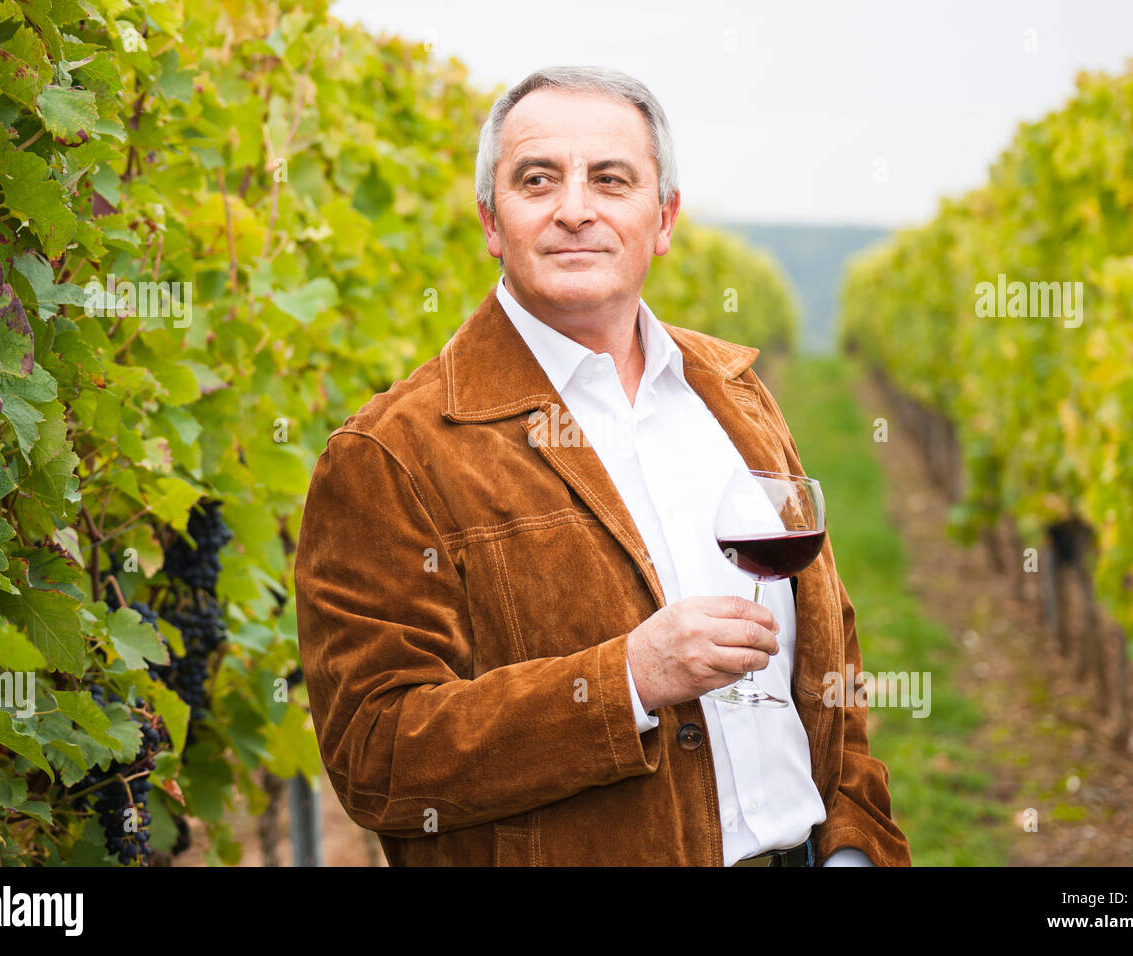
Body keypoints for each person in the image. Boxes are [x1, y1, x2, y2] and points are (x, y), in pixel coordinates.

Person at [294, 65, 911, 867]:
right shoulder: (392, 455)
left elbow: (831, 650)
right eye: (537, 179)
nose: (574, 209)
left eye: (611, 180)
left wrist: (856, 845)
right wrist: (627, 679)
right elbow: (378, 759)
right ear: (491, 220)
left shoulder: (733, 394)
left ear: (663, 218)